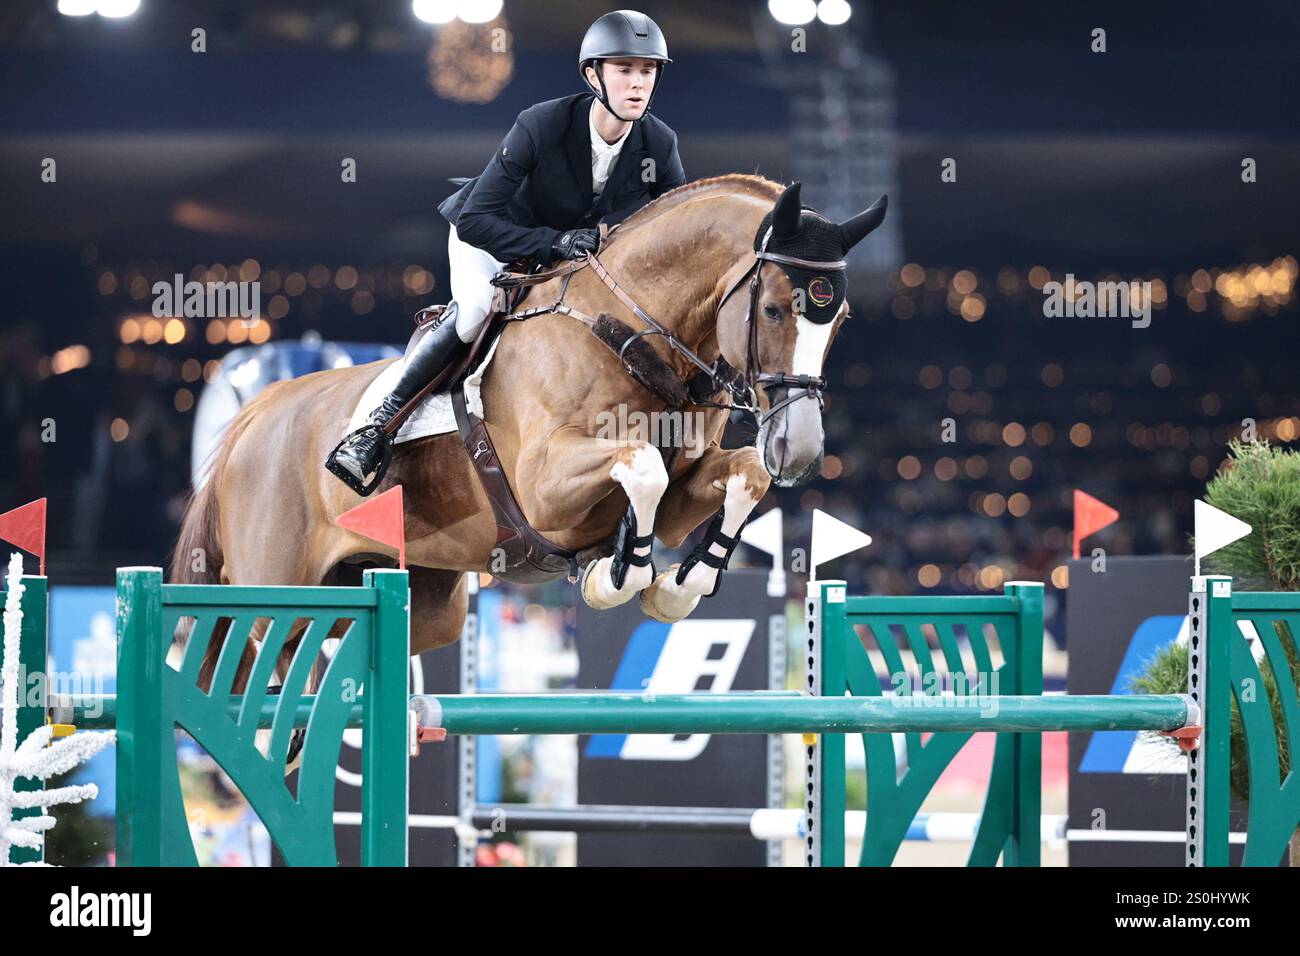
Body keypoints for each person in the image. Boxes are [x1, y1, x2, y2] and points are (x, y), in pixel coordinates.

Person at [329, 9, 687, 491]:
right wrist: (554, 241)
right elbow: (479, 219)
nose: (638, 83)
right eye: (624, 69)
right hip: (494, 238)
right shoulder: (542, 124)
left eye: (648, 71)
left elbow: (675, 229)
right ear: (592, 74)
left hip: (559, 260)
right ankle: (375, 428)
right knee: (476, 311)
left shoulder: (658, 143)